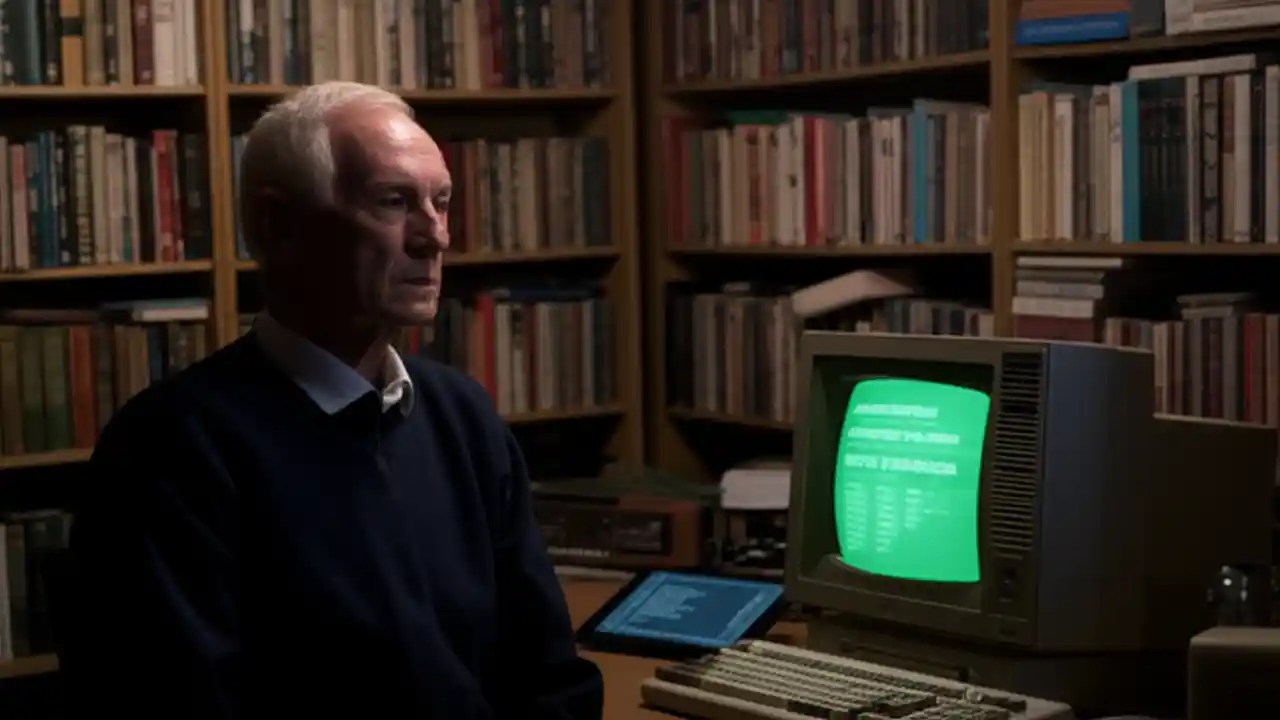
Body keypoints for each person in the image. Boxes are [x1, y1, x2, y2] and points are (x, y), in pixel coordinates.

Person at [62, 81, 603, 719]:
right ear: (280, 226)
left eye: (441, 202)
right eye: (394, 201)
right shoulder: (169, 450)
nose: (434, 237)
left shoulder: (465, 417)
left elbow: (549, 675)